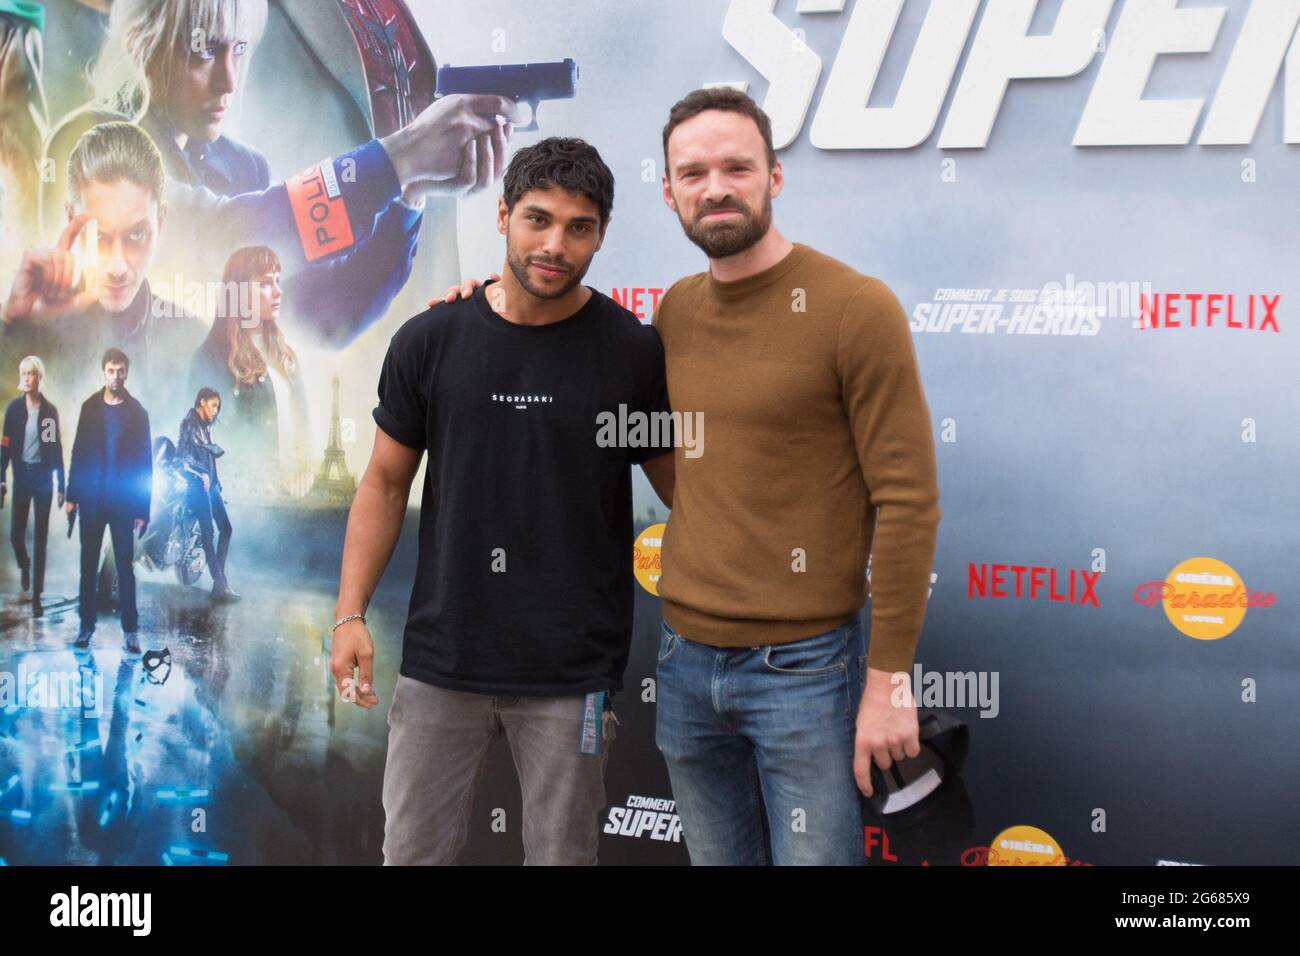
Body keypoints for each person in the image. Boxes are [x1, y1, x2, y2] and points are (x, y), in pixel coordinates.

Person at [331, 138, 674, 865]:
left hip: (572, 678)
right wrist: (350, 614)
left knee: (563, 858)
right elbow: (385, 483)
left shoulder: (632, 352)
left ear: (601, 235)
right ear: (502, 215)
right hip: (439, 665)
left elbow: (688, 497)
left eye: (579, 228)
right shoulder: (431, 339)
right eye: (538, 219)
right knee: (412, 856)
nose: (555, 244)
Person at [648, 88, 942, 865]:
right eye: (693, 172)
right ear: (669, 189)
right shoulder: (674, 312)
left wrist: (888, 682)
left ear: (774, 177)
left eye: (737, 167)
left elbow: (908, 502)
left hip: (807, 674)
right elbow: (689, 467)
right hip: (681, 663)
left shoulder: (855, 308)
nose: (715, 187)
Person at [41, 0, 521, 350]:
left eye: (239, 49)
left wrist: (407, 193)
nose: (229, 81)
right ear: (142, 44)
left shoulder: (241, 165)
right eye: (203, 53)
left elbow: (323, 317)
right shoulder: (86, 139)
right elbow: (217, 237)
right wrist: (399, 158)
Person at [2, 120, 206, 417]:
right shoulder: (34, 329)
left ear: (160, 222)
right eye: (99, 237)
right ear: (71, 217)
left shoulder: (193, 342)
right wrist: (12, 325)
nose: (117, 267)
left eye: (136, 235)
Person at [189, 245, 310, 495]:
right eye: (266, 283)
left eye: (278, 281)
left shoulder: (286, 355)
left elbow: (303, 428)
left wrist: (304, 478)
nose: (278, 291)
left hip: (294, 495)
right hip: (246, 499)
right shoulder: (210, 358)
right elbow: (204, 438)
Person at [66, 347, 152, 653]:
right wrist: (71, 495)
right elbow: (78, 451)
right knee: (88, 566)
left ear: (127, 373)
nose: (116, 376)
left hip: (123, 503)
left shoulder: (138, 412)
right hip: (91, 500)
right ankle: (85, 627)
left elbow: (145, 464)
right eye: (111, 370)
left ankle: (131, 631)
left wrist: (143, 508)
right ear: (104, 372)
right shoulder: (90, 407)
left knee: (125, 569)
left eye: (121, 371)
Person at [0, 356, 66, 617]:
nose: (27, 378)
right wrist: (2, 477)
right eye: (24, 373)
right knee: (16, 533)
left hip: (42, 480)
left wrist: (61, 484)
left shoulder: (48, 413)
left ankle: (37, 595)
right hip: (22, 478)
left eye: (32, 374)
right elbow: (4, 448)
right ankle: (24, 565)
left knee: (41, 538)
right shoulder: (14, 411)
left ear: (40, 378)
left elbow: (54, 448)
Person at [175, 386, 237, 600]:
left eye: (218, 407)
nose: (215, 411)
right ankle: (220, 585)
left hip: (210, 487)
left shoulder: (206, 427)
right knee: (208, 534)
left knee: (226, 529)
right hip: (196, 486)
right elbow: (180, 457)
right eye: (213, 405)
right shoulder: (189, 424)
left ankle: (219, 584)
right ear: (201, 401)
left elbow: (210, 458)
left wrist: (216, 482)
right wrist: (200, 473)